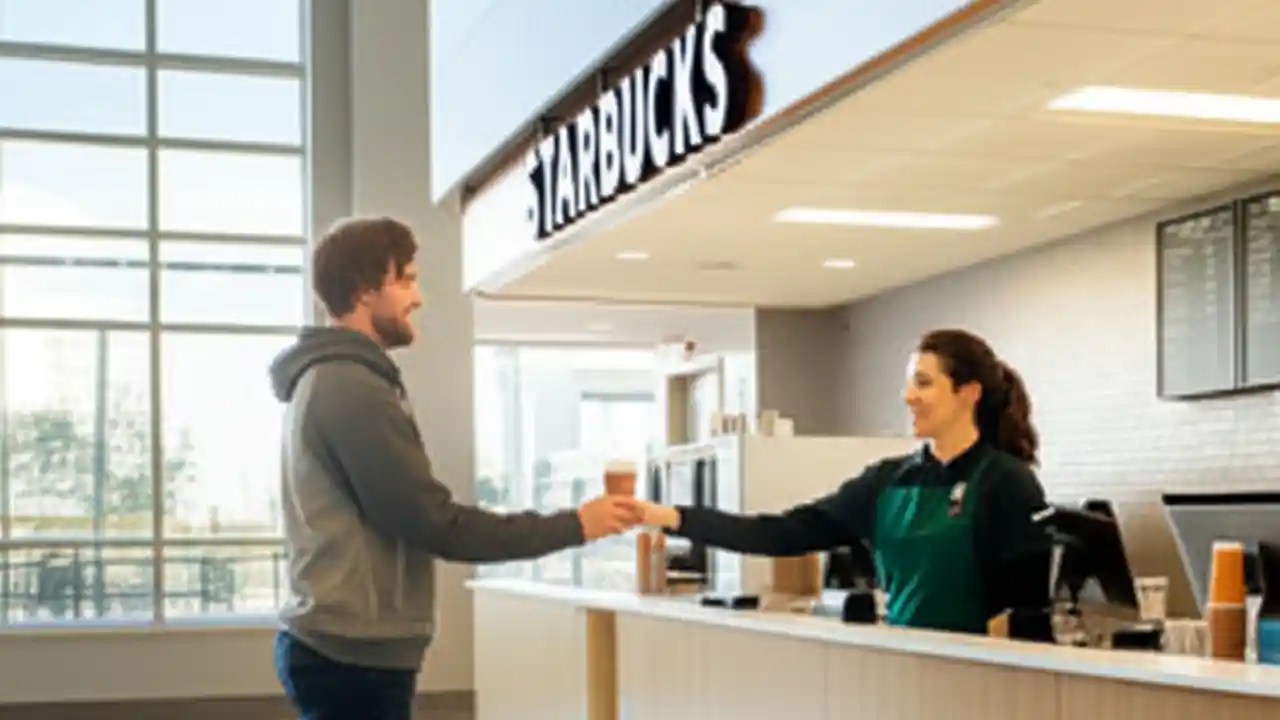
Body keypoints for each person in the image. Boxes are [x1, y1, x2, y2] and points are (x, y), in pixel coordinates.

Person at [268, 216, 644, 719]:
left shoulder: (340, 381)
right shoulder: (348, 387)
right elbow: (435, 523)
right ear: (363, 291)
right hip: (351, 655)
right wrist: (577, 525)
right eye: (405, 279)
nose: (418, 297)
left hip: (346, 650)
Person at [640, 329, 1053, 638]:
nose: (908, 396)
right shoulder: (887, 481)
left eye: (924, 383)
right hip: (904, 660)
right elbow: (783, 533)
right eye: (909, 383)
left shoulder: (1008, 482)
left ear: (969, 394)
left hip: (982, 677)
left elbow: (1027, 612)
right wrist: (676, 517)